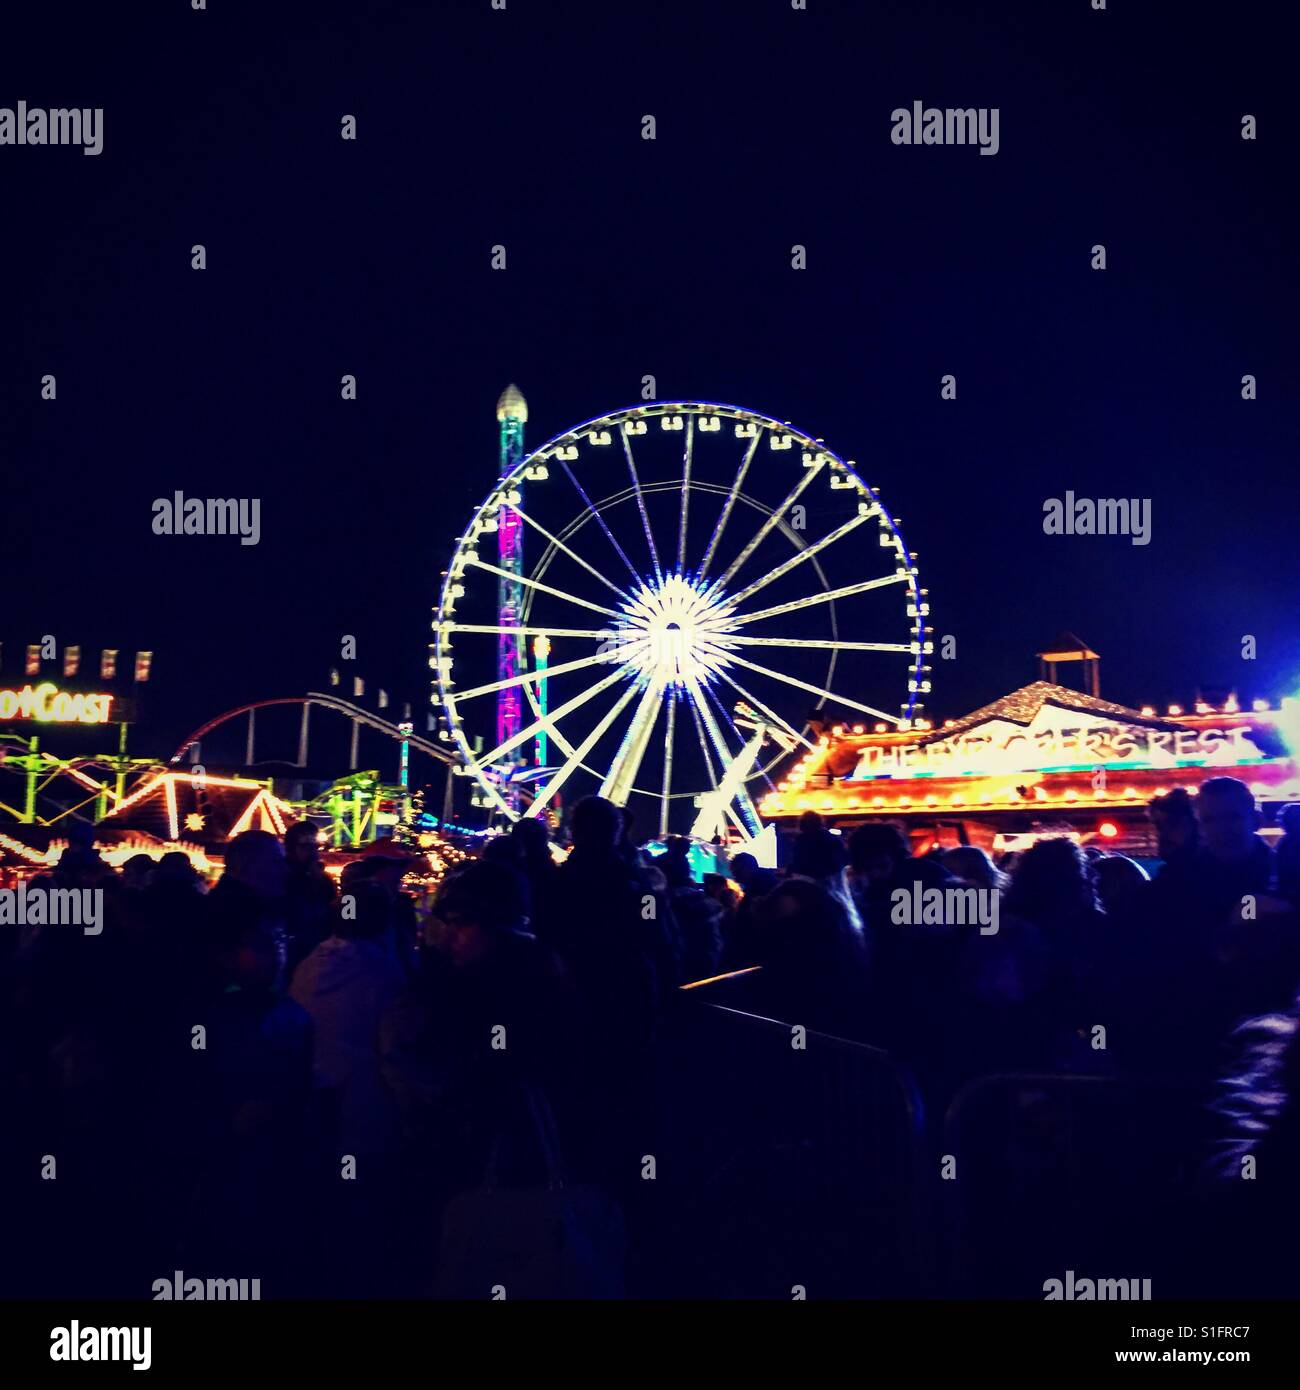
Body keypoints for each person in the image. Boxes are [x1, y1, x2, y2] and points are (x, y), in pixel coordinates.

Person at [289, 881, 407, 1159]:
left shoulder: (310, 962)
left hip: (307, 1092)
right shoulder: (382, 971)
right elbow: (393, 1047)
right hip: (359, 1098)